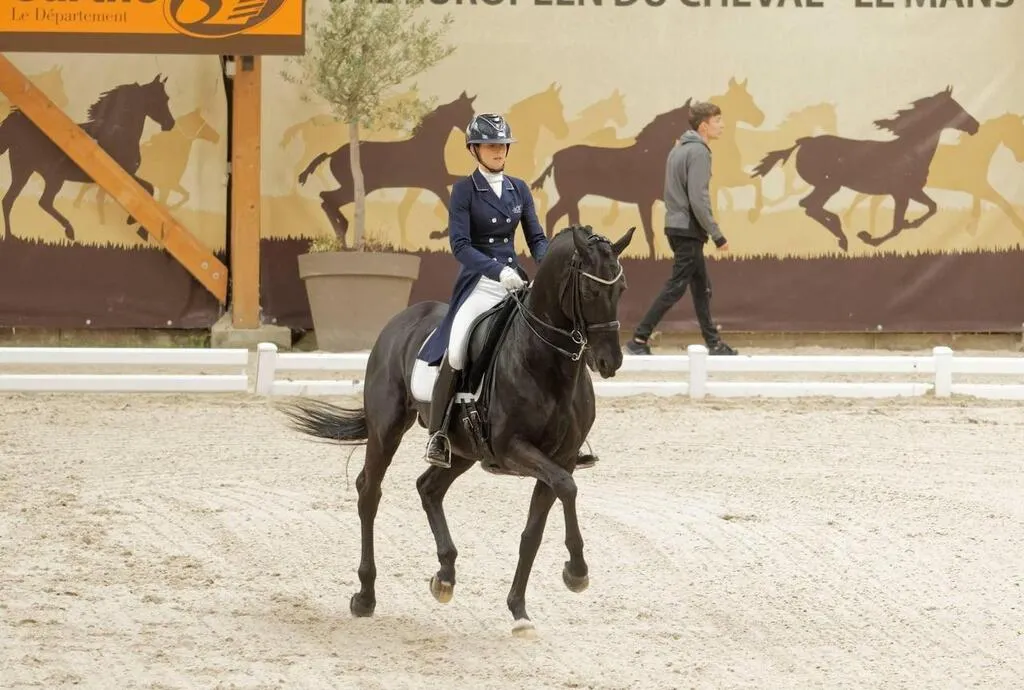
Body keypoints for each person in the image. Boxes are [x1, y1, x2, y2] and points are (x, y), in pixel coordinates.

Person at [416, 113, 598, 470]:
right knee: (458, 349)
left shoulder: (519, 189)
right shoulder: (464, 191)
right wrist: (497, 270)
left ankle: (570, 433)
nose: (498, 151)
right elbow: (460, 245)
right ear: (474, 149)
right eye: (490, 146)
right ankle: (439, 434)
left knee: (556, 340)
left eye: (502, 145)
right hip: (480, 284)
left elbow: (537, 239)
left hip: (516, 282)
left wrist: (553, 265)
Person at [625, 101, 738, 357]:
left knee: (701, 287)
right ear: (704, 126)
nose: (722, 125)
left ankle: (714, 343)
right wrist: (717, 234)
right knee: (677, 286)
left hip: (677, 227)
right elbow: (699, 198)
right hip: (688, 229)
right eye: (717, 121)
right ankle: (639, 339)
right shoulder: (699, 152)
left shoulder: (678, 149)